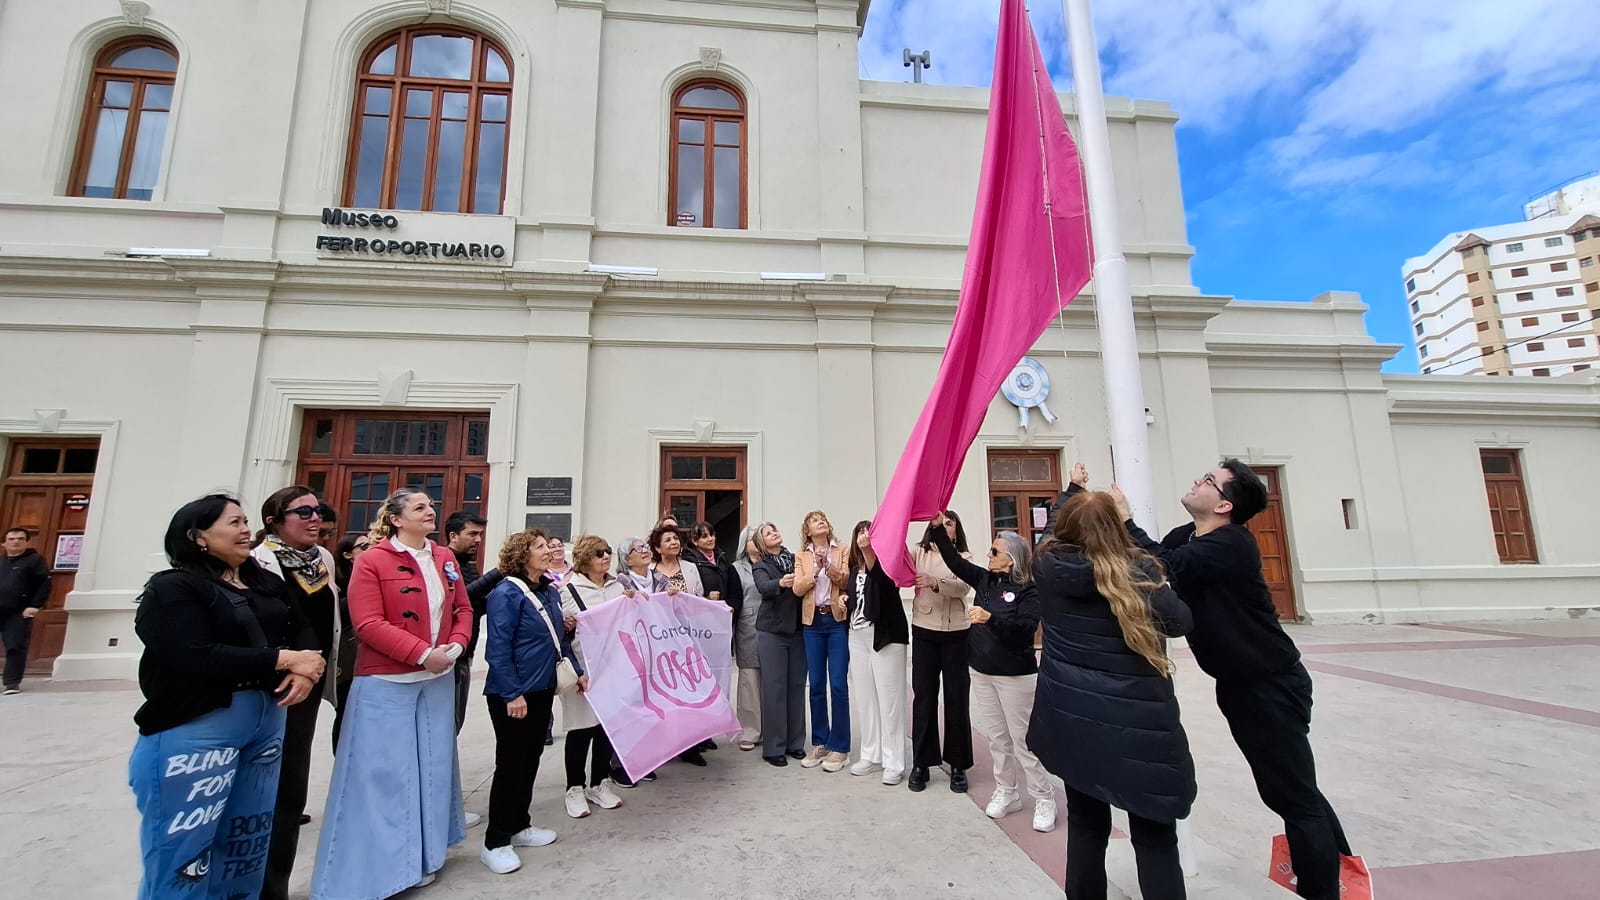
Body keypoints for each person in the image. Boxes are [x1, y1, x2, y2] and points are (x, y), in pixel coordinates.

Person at [1115, 460, 1351, 900]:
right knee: (1290, 791)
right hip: (1239, 685)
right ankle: (1340, 870)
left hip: (1271, 685)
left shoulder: (1232, 544)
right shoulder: (1188, 536)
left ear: (1224, 505)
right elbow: (1152, 562)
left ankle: (1324, 890)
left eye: (1209, 481)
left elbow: (1161, 564)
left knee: (1295, 799)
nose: (1197, 480)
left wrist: (1125, 519)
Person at [128, 494, 325, 900]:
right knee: (185, 856)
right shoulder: (173, 588)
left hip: (265, 725)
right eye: (233, 522)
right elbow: (193, 654)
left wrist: (305, 670)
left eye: (245, 521)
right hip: (198, 729)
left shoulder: (264, 580)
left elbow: (302, 623)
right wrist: (286, 659)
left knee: (245, 844)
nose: (245, 530)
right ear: (197, 536)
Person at [1031, 490, 1195, 900]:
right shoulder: (1138, 572)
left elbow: (1048, 534)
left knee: (1086, 827)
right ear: (1116, 528)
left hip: (1074, 722)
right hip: (1139, 730)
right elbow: (1180, 621)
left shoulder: (1048, 567)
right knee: (1155, 839)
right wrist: (1128, 523)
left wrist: (1072, 491)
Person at [311, 490, 472, 898]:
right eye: (419, 507)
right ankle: (383, 867)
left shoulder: (444, 557)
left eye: (430, 505)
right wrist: (421, 654)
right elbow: (367, 623)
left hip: (437, 677)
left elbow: (463, 609)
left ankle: (428, 855)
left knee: (433, 769)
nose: (430, 510)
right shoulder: (372, 561)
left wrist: (456, 644)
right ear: (396, 520)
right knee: (385, 776)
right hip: (387, 681)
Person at [928, 518, 1053, 830]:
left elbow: (1025, 629)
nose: (989, 555)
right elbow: (955, 561)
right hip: (982, 672)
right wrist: (938, 528)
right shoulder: (985, 580)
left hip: (1015, 676)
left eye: (994, 552)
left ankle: (1043, 797)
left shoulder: (1028, 590)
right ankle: (1008, 792)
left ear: (1011, 558)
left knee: (1024, 740)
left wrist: (990, 618)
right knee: (997, 738)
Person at [478, 529, 588, 875]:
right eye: (540, 547)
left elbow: (559, 641)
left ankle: (520, 824)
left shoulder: (549, 591)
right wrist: (512, 693)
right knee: (511, 764)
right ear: (521, 554)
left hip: (541, 688)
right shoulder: (506, 593)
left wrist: (577, 671)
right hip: (513, 693)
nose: (549, 551)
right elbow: (498, 648)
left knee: (530, 760)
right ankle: (495, 841)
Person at [250, 486, 341, 900]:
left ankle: (276, 888)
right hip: (271, 686)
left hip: (310, 684)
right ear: (273, 521)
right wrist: (290, 663)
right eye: (302, 512)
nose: (314, 518)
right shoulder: (256, 562)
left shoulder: (322, 560)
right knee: (260, 788)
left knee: (290, 786)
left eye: (316, 510)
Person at [559, 534, 626, 818]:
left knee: (605, 730)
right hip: (583, 672)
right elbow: (561, 636)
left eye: (608, 551)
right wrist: (576, 671)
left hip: (613, 669)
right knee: (581, 729)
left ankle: (599, 783)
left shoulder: (618, 587)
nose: (606, 556)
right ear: (585, 558)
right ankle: (575, 787)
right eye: (599, 553)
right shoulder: (569, 590)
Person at [909, 509, 974, 793]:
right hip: (924, 630)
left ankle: (958, 764)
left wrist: (935, 582)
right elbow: (897, 565)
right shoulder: (918, 553)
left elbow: (962, 588)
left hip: (957, 633)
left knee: (956, 698)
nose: (945, 526)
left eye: (950, 523)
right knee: (924, 697)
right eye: (941, 523)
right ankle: (922, 762)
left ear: (956, 531)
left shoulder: (964, 558)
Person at [842, 520, 909, 785]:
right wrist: (845, 600)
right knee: (866, 698)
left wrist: (870, 551)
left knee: (890, 700)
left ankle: (894, 762)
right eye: (859, 531)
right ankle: (871, 754)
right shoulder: (853, 570)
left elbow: (884, 582)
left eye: (868, 531)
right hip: (857, 636)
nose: (863, 535)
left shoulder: (888, 563)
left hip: (886, 637)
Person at [793, 510, 850, 772]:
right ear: (808, 530)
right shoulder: (801, 556)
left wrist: (828, 564)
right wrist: (815, 569)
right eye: (815, 521)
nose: (821, 522)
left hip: (836, 621)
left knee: (838, 684)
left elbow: (845, 579)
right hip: (812, 623)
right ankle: (820, 742)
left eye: (823, 519)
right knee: (816, 684)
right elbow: (797, 589)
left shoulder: (842, 550)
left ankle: (840, 747)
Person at [608, 535, 665, 786]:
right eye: (637, 548)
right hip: (630, 653)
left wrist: (673, 597)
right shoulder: (619, 583)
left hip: (657, 652)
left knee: (651, 707)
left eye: (645, 546)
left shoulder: (661, 580)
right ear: (626, 559)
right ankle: (620, 763)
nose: (644, 550)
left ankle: (644, 759)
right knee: (628, 708)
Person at [750, 522, 806, 767]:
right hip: (772, 631)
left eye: (774, 530)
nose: (774, 533)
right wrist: (781, 583)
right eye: (767, 532)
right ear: (761, 543)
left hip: (798, 630)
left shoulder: (795, 559)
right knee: (774, 688)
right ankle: (774, 748)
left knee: (797, 686)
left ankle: (795, 743)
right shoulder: (761, 565)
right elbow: (764, 587)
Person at [444, 511, 488, 736]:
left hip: (465, 654)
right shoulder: (443, 562)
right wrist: (497, 575)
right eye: (472, 534)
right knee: (445, 725)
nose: (478, 540)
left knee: (455, 723)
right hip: (448, 654)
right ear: (453, 535)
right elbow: (460, 598)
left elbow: (478, 605)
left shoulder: (468, 565)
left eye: (480, 535)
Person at [328, 532, 370, 752]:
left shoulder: (373, 573)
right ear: (347, 555)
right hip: (347, 653)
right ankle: (343, 757)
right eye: (364, 546)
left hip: (369, 654)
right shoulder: (337, 579)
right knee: (346, 710)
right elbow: (334, 612)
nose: (370, 549)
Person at [729, 526, 767, 751]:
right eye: (753, 539)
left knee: (771, 680)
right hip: (748, 627)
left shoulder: (773, 563)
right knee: (749, 681)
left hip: (773, 627)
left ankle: (771, 730)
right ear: (745, 544)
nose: (757, 542)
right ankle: (750, 731)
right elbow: (734, 599)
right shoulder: (736, 568)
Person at [1, 527, 50, 694]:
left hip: (18, 611)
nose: (16, 542)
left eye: (21, 539)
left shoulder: (35, 561)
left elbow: (44, 584)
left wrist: (35, 606)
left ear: (27, 542)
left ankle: (11, 683)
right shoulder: (1, 562)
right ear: (4, 543)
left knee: (15, 646)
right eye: (11, 539)